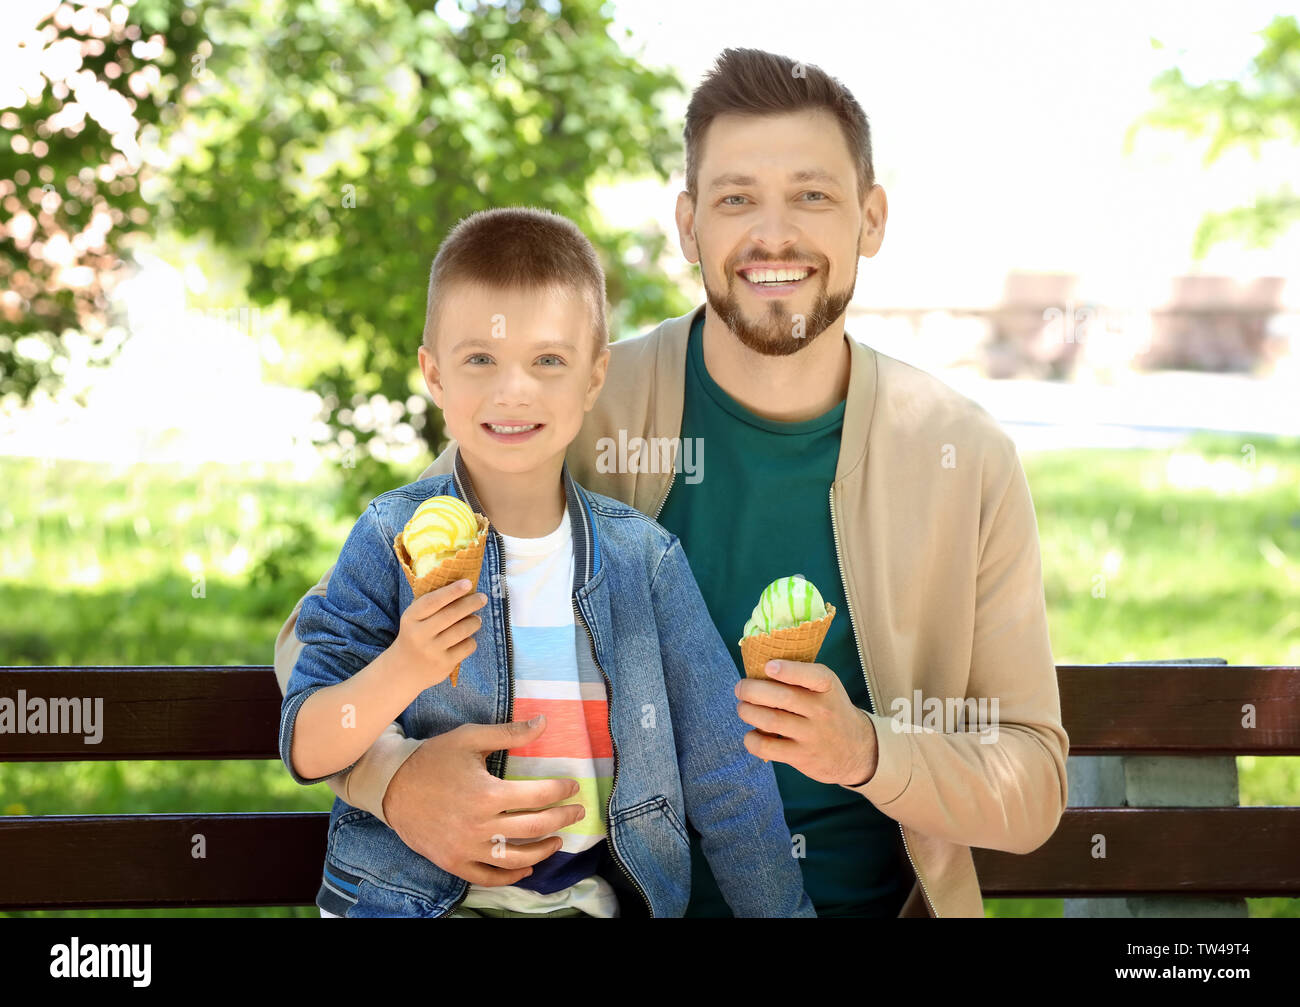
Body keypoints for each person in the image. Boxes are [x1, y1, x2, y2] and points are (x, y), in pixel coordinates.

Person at [274, 48, 1069, 918]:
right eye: (736, 199)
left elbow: (1029, 784)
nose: (773, 235)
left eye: (812, 194)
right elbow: (317, 642)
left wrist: (869, 752)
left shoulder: (959, 453)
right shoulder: (576, 399)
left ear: (869, 219)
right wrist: (392, 780)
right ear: (689, 226)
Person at [279, 205, 816, 918]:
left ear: (593, 379)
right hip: (409, 903)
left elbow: (727, 772)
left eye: (548, 361)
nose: (514, 390)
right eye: (480, 359)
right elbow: (308, 742)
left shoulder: (644, 563)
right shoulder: (389, 539)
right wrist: (406, 665)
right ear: (434, 375)